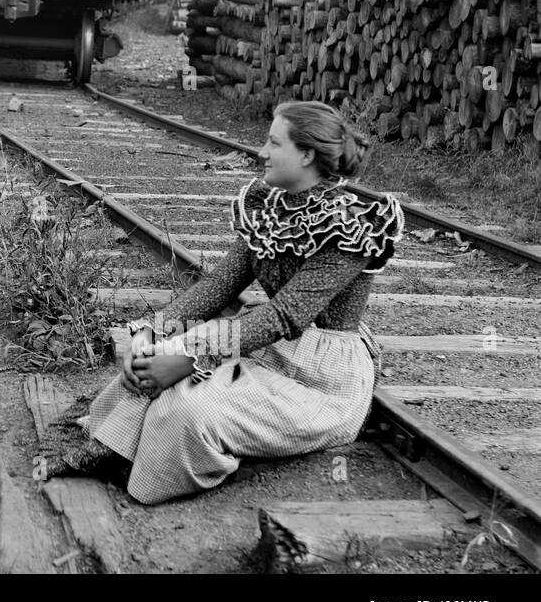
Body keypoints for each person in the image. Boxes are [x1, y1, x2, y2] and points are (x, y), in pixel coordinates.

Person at [42, 100, 404, 504]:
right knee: (161, 367)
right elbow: (218, 287)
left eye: (273, 143)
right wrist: (152, 332)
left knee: (187, 409)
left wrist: (190, 357)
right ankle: (111, 450)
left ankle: (142, 466)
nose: (262, 152)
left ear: (305, 154)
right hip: (268, 353)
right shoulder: (268, 208)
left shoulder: (350, 227)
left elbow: (285, 316)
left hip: (321, 379)